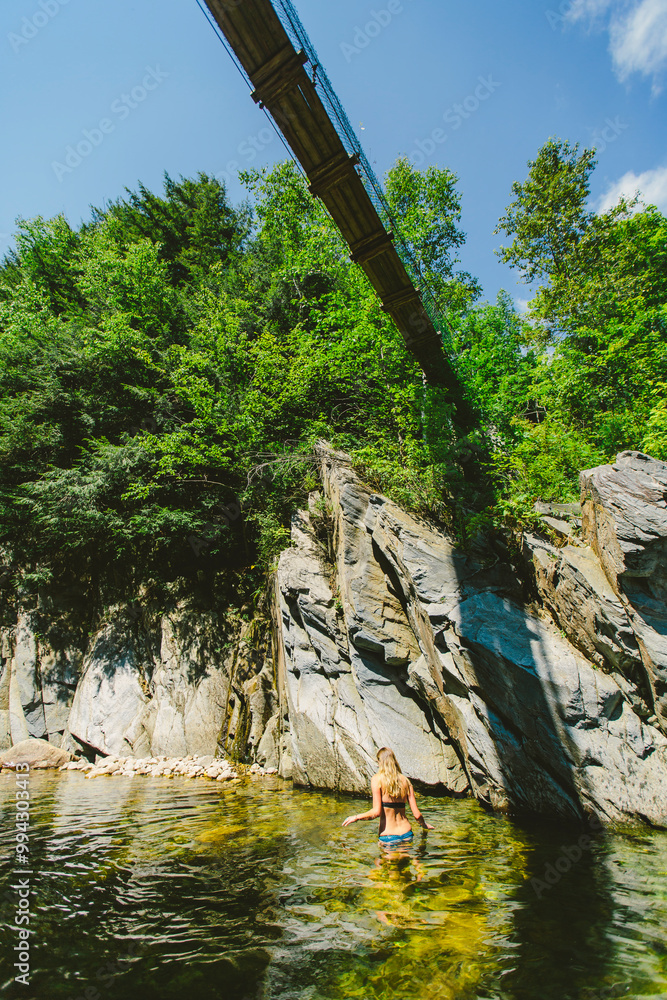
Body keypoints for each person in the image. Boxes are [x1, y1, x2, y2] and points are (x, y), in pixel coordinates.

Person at [342, 747, 434, 846]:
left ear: (380, 762)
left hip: (388, 837)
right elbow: (417, 815)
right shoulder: (405, 781)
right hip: (407, 834)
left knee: (379, 861)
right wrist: (424, 825)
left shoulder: (377, 779)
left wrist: (356, 817)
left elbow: (376, 812)